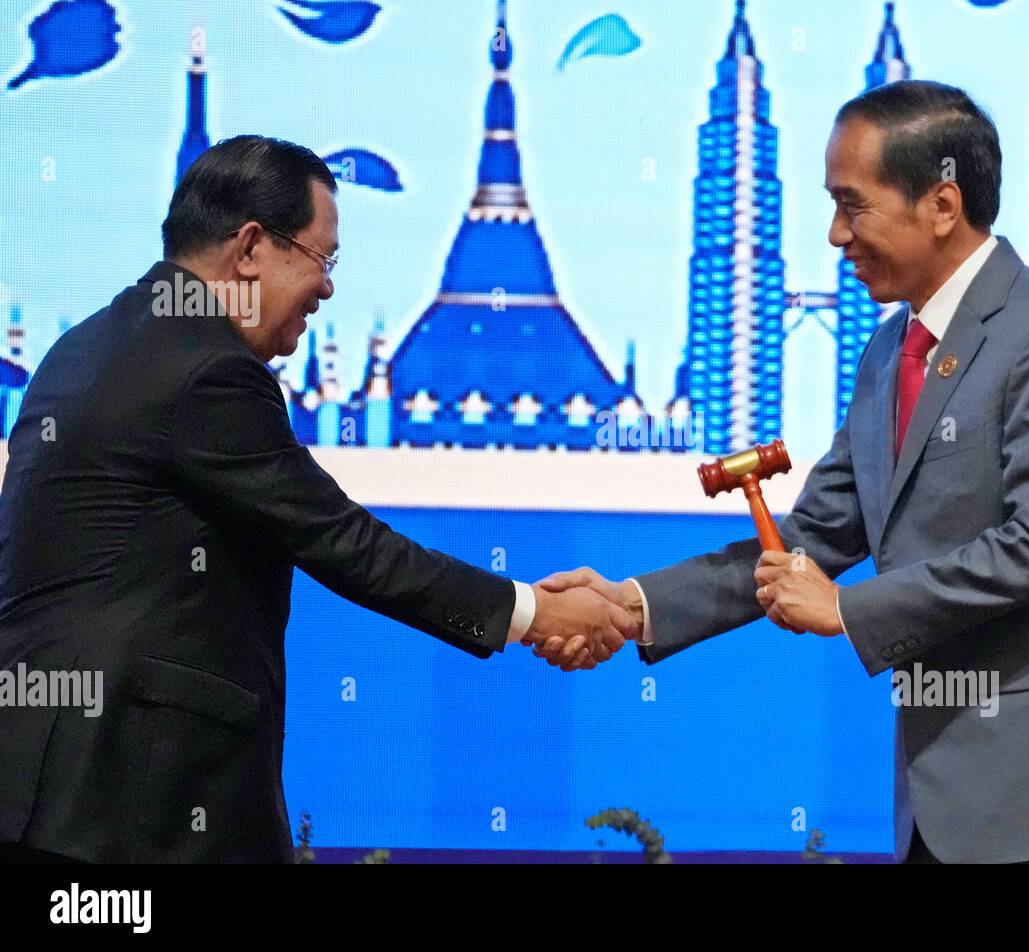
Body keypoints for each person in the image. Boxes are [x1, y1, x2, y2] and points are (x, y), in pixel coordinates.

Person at [540, 80, 1029, 864]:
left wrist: (850, 607)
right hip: (929, 803)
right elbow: (807, 538)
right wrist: (633, 605)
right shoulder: (888, 350)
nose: (835, 234)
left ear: (942, 204)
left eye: (853, 204)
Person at [0, 135, 633, 863]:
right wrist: (535, 611)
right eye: (320, 259)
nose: (327, 288)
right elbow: (343, 541)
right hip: (131, 808)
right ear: (248, 248)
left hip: (50, 793)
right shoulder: (207, 369)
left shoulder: (86, 347)